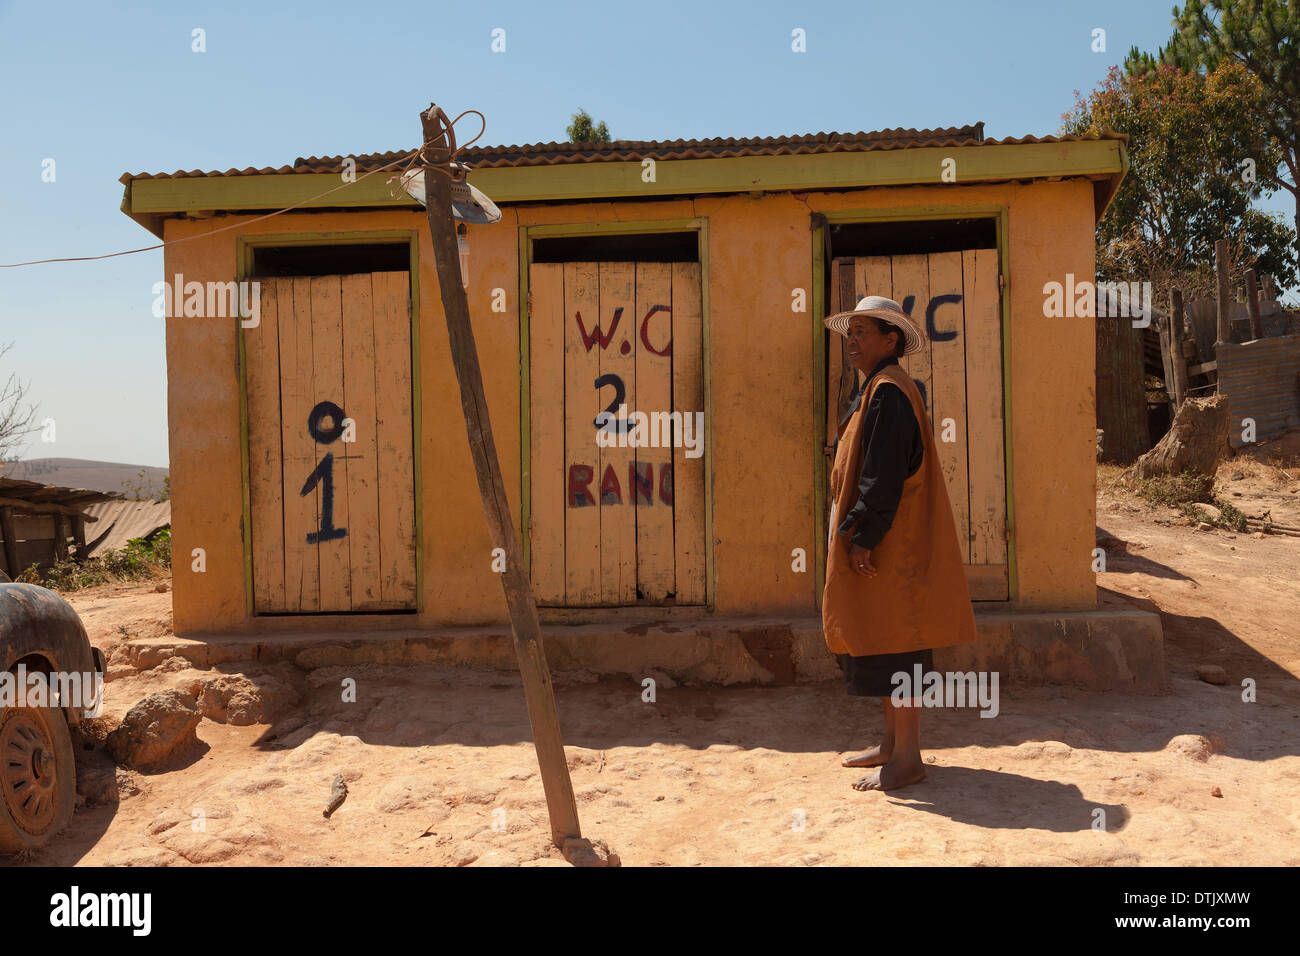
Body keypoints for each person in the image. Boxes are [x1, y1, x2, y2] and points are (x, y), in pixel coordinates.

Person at [822, 295, 977, 791]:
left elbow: (883, 472)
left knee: (901, 646)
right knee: (884, 642)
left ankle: (908, 756)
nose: (852, 340)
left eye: (862, 332)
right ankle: (891, 745)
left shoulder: (889, 391)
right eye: (851, 332)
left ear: (890, 341)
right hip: (887, 539)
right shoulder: (879, 389)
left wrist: (865, 536)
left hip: (893, 544)